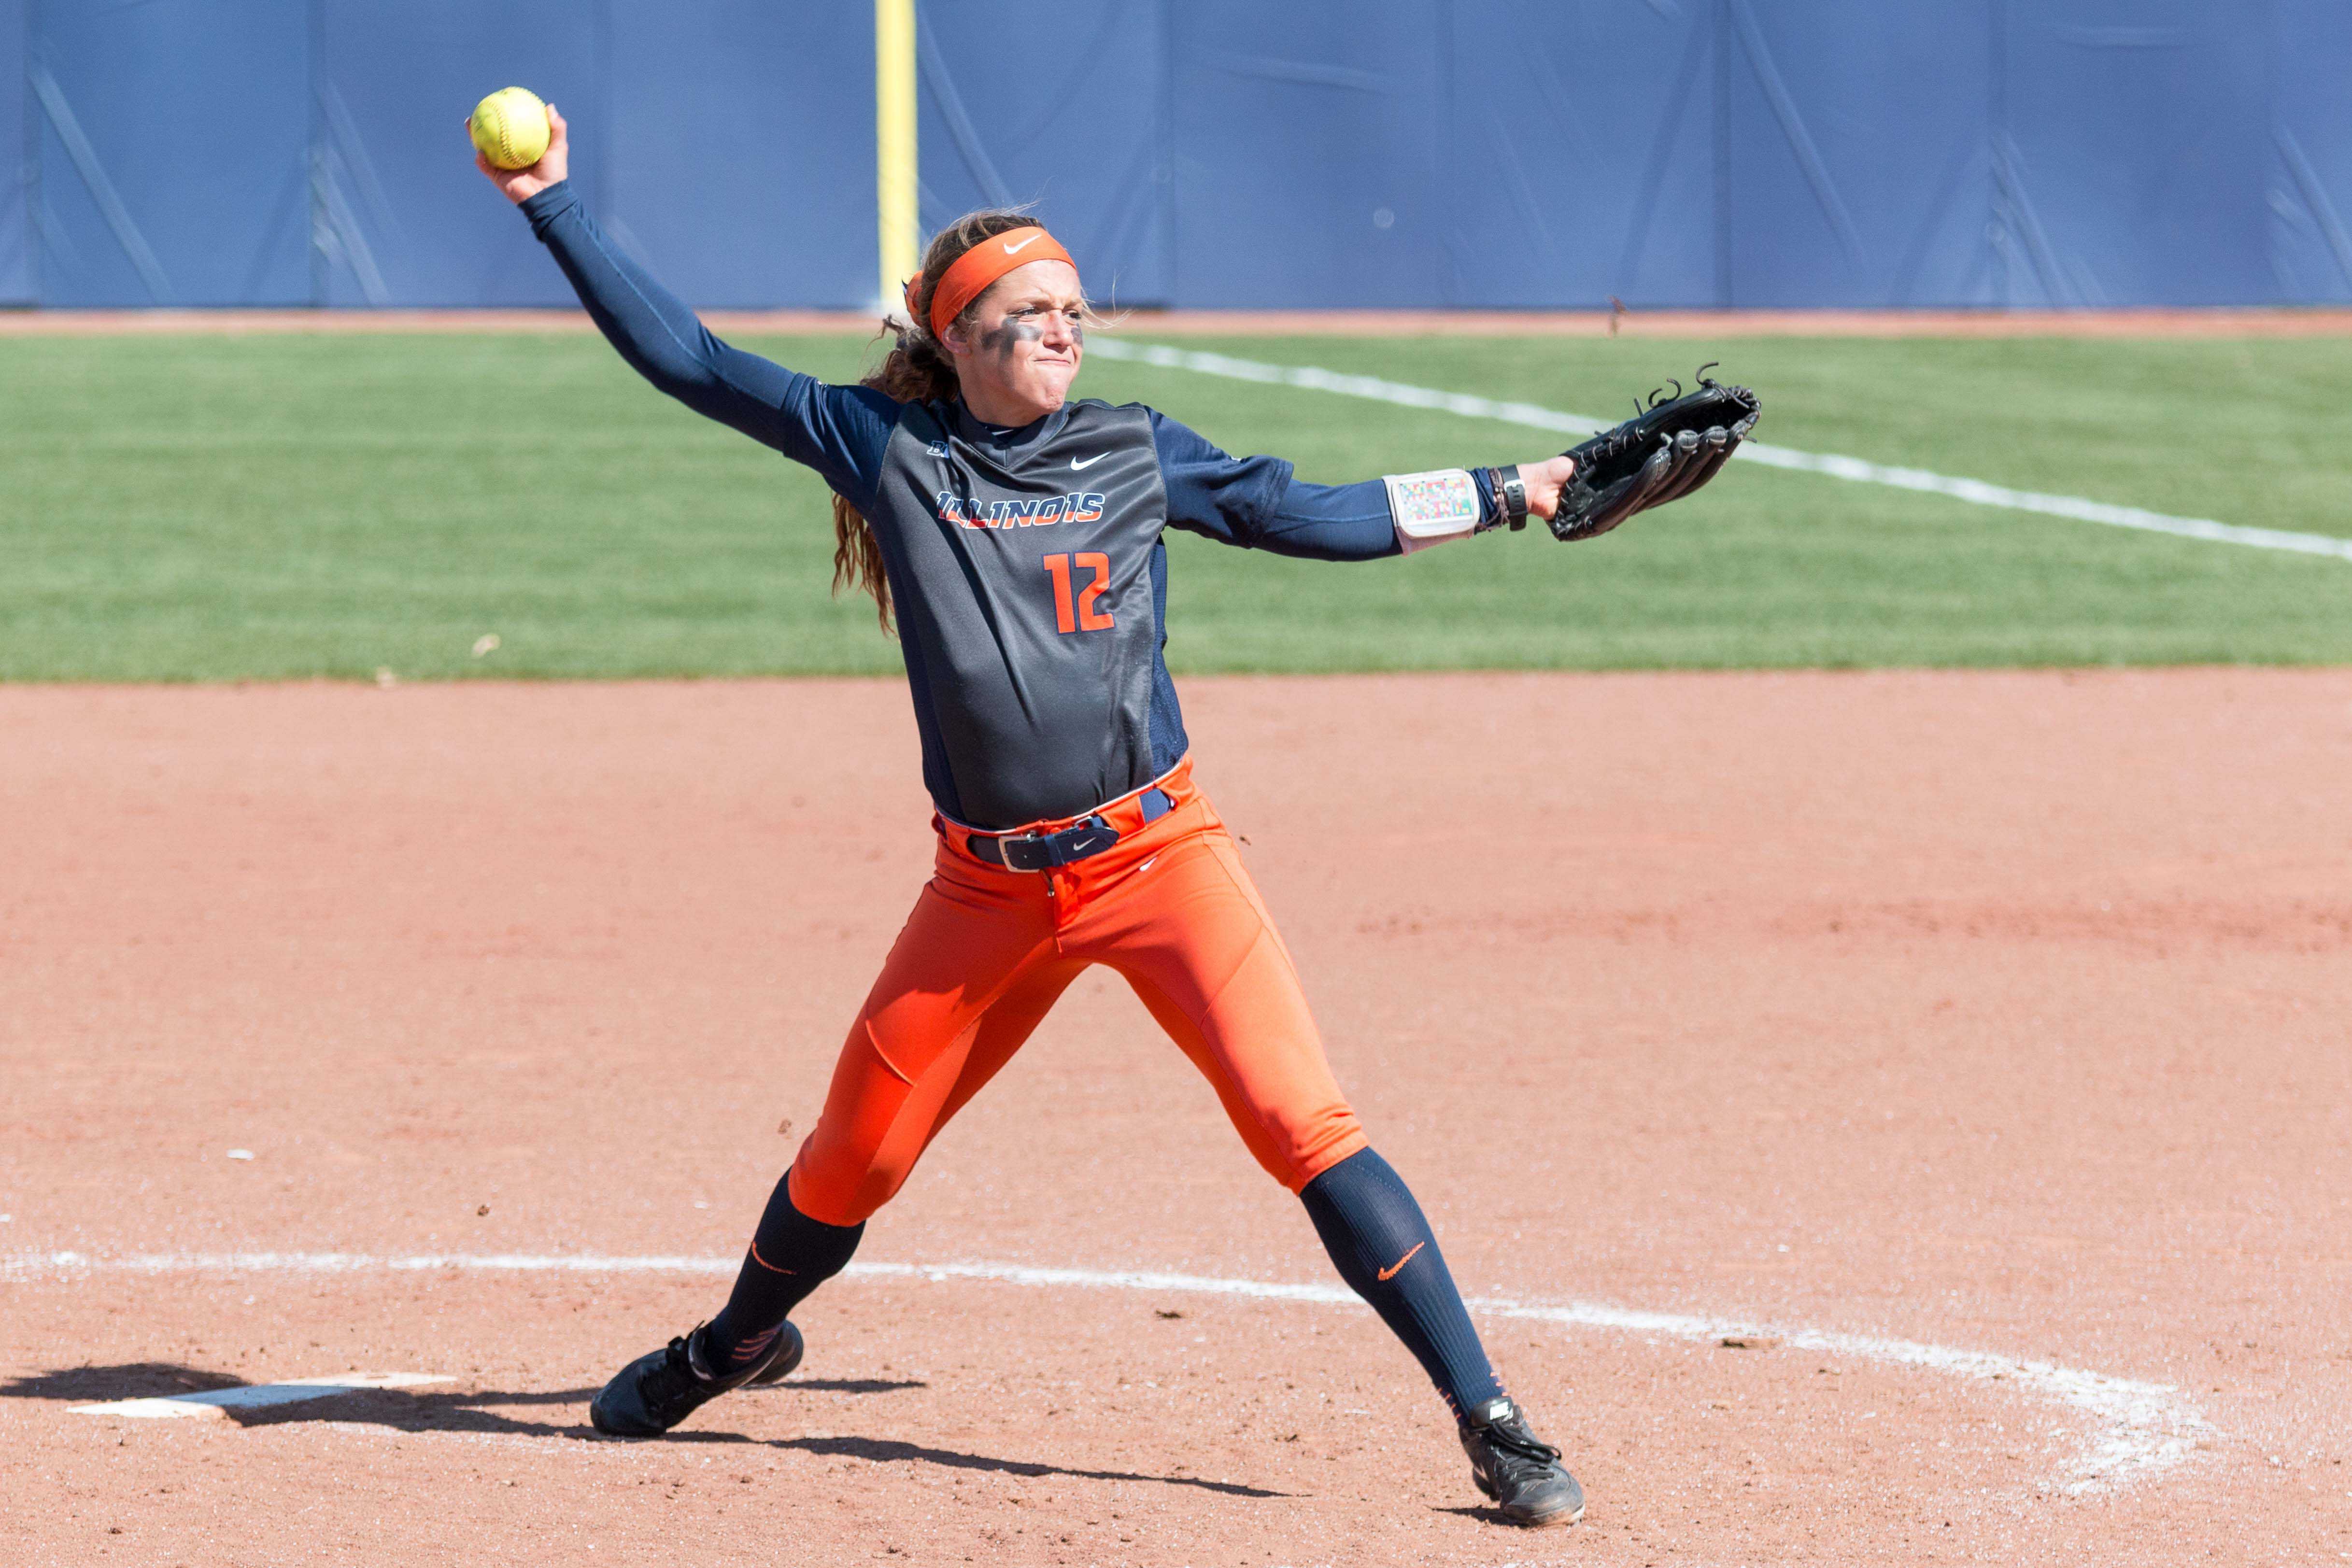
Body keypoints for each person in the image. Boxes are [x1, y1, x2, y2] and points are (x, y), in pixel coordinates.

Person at [477, 106, 1592, 1527]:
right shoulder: (883, 444)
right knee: (857, 1160)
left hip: (1160, 860)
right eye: (1031, 311)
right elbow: (690, 360)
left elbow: (1311, 513)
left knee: (1300, 1121)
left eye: (1076, 308)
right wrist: (552, 204)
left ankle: (1492, 1420)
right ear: (955, 336)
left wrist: (1513, 491)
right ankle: (732, 1347)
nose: (1065, 328)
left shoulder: (1134, 448)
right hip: (987, 894)